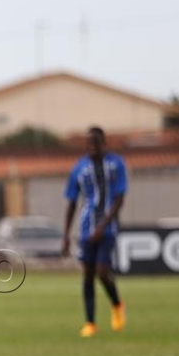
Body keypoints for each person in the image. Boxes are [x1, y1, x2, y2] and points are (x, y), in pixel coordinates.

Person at [62, 126, 128, 338]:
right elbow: (71, 202)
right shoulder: (79, 168)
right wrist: (65, 234)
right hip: (85, 228)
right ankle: (90, 322)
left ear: (104, 142)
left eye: (96, 142)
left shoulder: (116, 164)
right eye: (88, 143)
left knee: (102, 271)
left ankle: (117, 304)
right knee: (88, 275)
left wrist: (103, 225)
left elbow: (119, 199)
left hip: (107, 229)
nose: (92, 146)